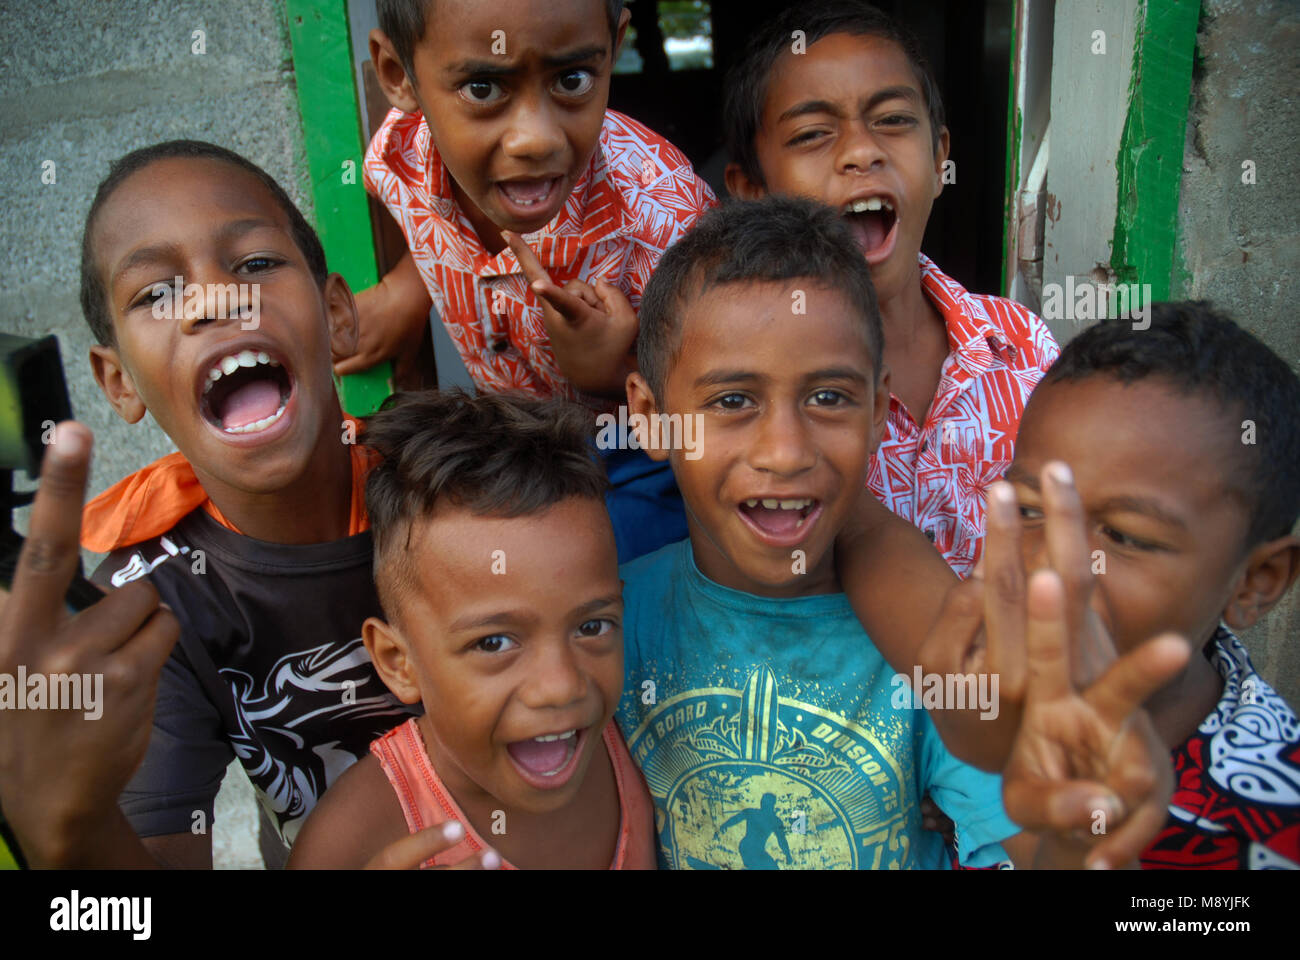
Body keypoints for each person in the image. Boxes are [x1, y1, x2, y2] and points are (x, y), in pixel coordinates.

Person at [616, 195, 1175, 869]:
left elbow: (1032, 843)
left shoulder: (927, 644)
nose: (787, 452)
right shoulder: (611, 623)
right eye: (733, 401)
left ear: (880, 409)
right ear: (649, 417)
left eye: (829, 397)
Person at [0, 141, 415, 868]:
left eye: (255, 264)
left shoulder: (458, 484)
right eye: (155, 293)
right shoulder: (142, 615)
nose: (214, 300)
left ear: (337, 316)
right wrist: (68, 827)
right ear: (118, 381)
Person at [345, 0, 719, 562]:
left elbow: (730, 405)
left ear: (614, 47)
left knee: (584, 566)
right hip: (514, 436)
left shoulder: (662, 220)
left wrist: (613, 372)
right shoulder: (400, 157)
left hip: (642, 456)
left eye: (572, 79)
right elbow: (427, 216)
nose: (535, 139)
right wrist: (408, 287)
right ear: (400, 76)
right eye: (483, 88)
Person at [722, 0, 1058, 577]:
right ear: (752, 189)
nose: (861, 151)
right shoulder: (743, 380)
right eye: (811, 133)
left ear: (939, 156)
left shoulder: (1019, 344)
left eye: (894, 120)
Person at [289, 391, 655, 869]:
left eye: (591, 626)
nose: (562, 685)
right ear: (399, 663)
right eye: (494, 642)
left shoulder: (641, 739)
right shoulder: (355, 840)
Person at [998, 302, 1300, 869]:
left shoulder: (1267, 837)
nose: (1050, 569)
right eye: (1030, 510)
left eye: (1125, 536)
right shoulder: (978, 689)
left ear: (1256, 581)